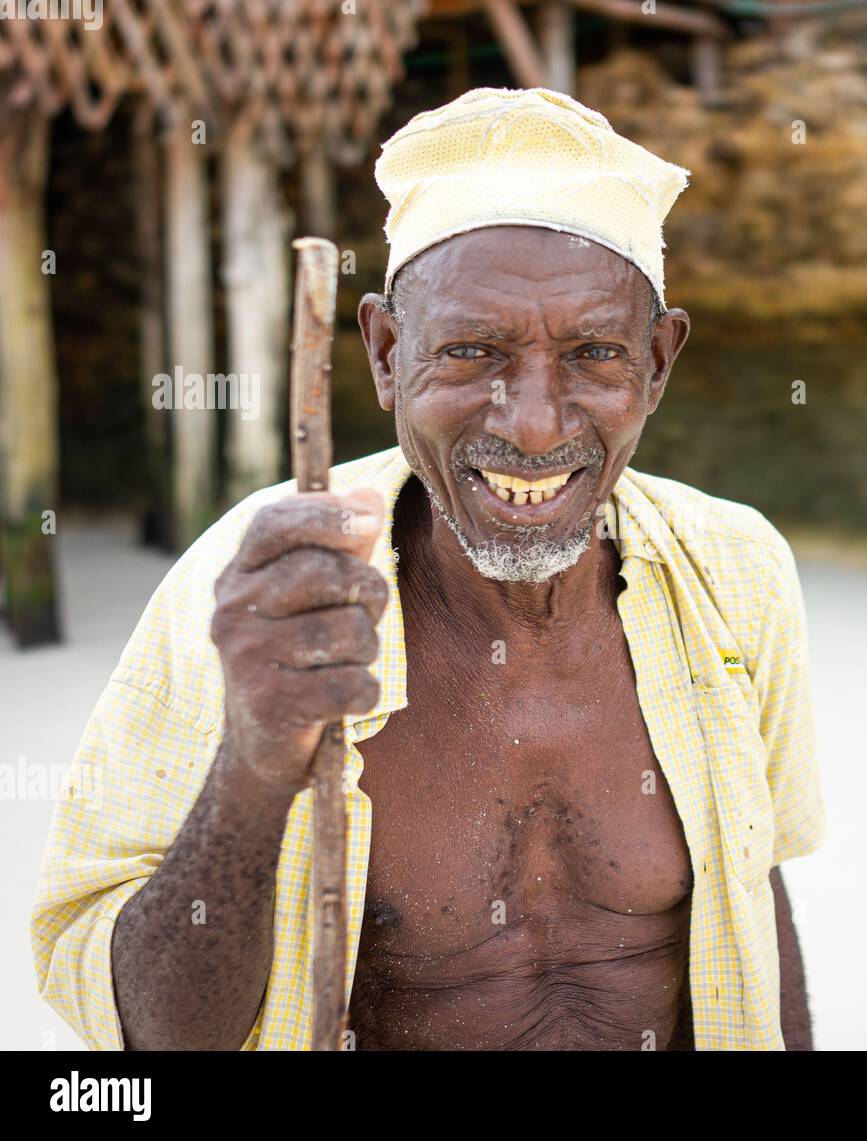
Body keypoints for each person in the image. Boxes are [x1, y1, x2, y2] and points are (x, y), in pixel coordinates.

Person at [31, 87, 827, 1050]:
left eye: (595, 355)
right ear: (383, 351)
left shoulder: (733, 574)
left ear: (657, 364)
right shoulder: (254, 590)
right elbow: (152, 1038)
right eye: (471, 351)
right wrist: (256, 756)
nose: (532, 423)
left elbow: (755, 893)